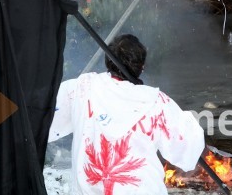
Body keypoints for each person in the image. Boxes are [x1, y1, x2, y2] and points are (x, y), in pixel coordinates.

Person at [50, 34, 205, 195]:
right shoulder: (156, 102)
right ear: (141, 67)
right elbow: (187, 147)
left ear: (107, 62)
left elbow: (45, 113)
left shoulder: (83, 88)